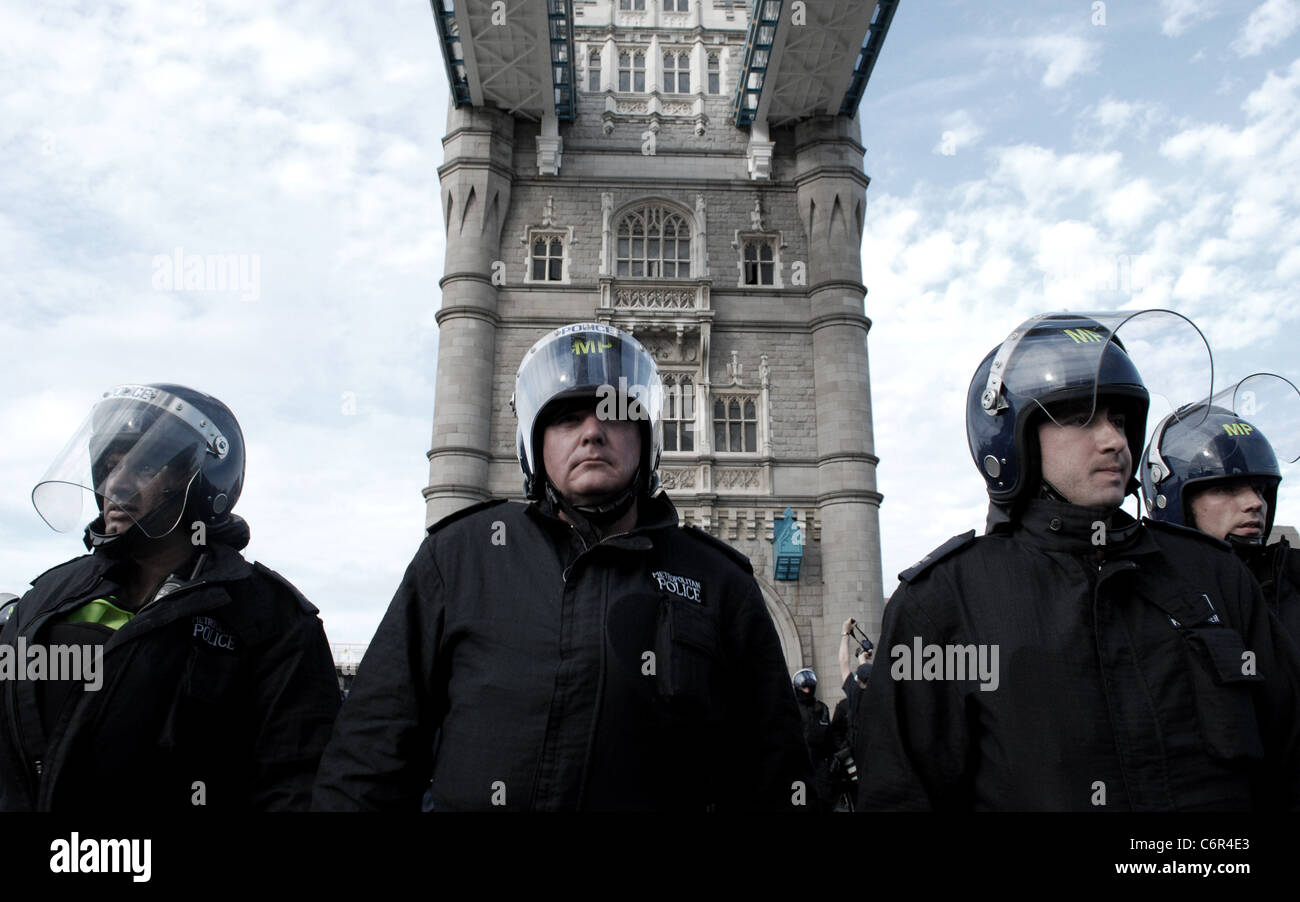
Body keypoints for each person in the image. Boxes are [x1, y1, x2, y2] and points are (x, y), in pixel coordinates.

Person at [313, 322, 811, 811]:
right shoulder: (461, 557)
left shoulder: (719, 582)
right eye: (568, 419)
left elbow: (776, 775)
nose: (593, 432)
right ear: (536, 444)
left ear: (646, 439)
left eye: (614, 415)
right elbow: (368, 757)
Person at [858, 313, 1300, 811]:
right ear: (1011, 435)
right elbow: (901, 796)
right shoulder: (944, 603)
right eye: (1081, 417)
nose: (1114, 439)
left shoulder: (1213, 574)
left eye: (1118, 418)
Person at [0, 384, 341, 811]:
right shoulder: (48, 596)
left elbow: (294, 785)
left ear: (200, 482)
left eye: (144, 467)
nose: (116, 482)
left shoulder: (272, 621)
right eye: (110, 464)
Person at [1142, 377, 1300, 641]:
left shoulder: (1293, 579)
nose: (1256, 503)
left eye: (1260, 489)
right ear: (1172, 500)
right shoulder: (1139, 603)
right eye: (1227, 489)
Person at [792, 668, 834, 811]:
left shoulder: (821, 708)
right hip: (799, 764)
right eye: (804, 688)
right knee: (800, 802)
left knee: (825, 799)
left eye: (810, 687)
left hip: (820, 762)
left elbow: (830, 735)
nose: (807, 691)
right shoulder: (793, 709)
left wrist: (832, 759)